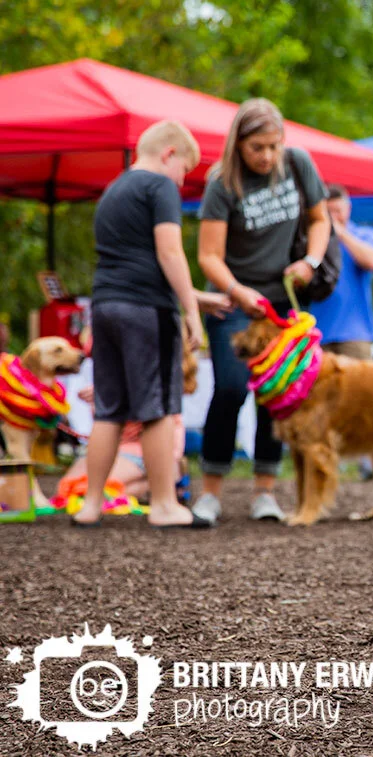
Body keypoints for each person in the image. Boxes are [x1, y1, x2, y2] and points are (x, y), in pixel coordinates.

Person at [194, 98, 331, 524]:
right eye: (258, 148)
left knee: (279, 393)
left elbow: (320, 219)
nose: (267, 156)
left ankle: (265, 492)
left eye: (274, 146)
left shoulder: (298, 164)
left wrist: (310, 262)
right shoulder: (222, 184)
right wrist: (238, 290)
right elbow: (208, 256)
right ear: (239, 144)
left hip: (284, 300)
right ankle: (211, 493)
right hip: (234, 301)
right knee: (232, 389)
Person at [71, 120, 211, 529]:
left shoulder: (114, 190)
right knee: (158, 407)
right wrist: (191, 312)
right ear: (168, 153)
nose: (182, 181)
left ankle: (91, 504)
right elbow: (169, 253)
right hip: (147, 310)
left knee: (108, 409)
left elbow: (133, 257)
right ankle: (166, 505)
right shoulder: (159, 186)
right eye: (184, 169)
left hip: (107, 307)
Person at [308, 184, 373, 360]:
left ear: (348, 208)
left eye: (338, 211)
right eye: (329, 211)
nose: (334, 217)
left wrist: (341, 234)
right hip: (317, 332)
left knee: (359, 386)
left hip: (355, 334)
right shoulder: (313, 239)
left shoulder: (363, 235)